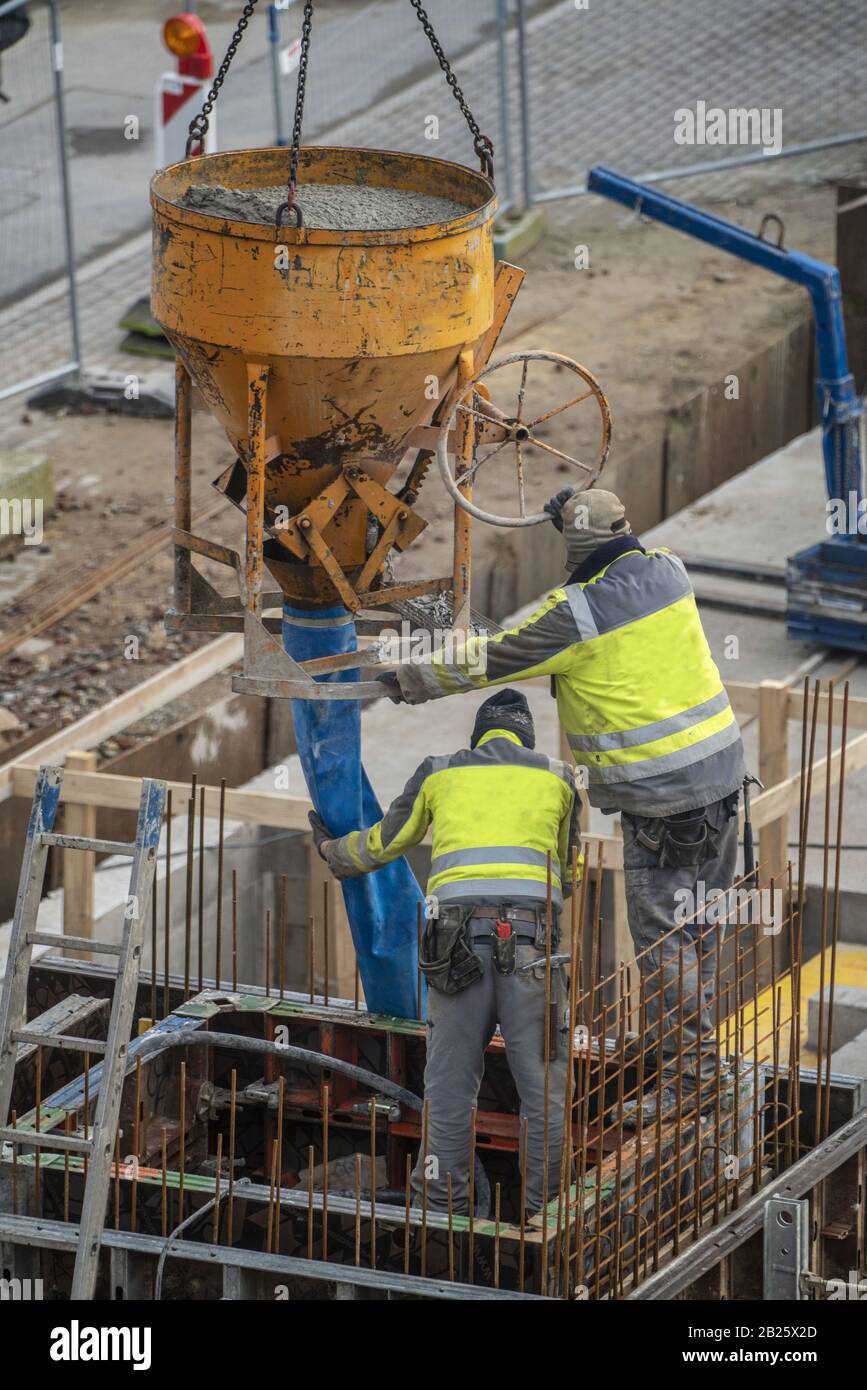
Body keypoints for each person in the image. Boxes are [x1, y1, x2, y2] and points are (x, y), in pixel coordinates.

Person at [380, 488, 746, 1123]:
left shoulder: (577, 614)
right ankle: (688, 1051)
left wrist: (411, 678)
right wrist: (581, 508)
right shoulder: (669, 571)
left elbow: (493, 658)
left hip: (664, 807)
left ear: (571, 546)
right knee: (698, 931)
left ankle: (694, 1081)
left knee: (664, 941)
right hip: (724, 782)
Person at [309, 688, 579, 1213]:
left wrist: (332, 851)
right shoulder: (559, 778)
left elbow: (383, 844)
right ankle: (544, 1215)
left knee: (450, 1088)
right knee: (543, 1092)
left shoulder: (438, 771)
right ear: (526, 738)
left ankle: (441, 1208)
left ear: (477, 737)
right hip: (532, 952)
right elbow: (565, 877)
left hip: (455, 948)